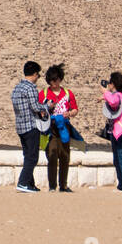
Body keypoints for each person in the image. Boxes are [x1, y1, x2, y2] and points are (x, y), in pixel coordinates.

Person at [38, 64, 78, 192]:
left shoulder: (67, 93)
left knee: (65, 156)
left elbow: (75, 109)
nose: (54, 83)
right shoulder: (44, 94)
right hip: (50, 128)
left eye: (57, 80)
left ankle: (63, 185)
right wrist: (46, 110)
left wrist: (69, 113)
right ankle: (52, 185)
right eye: (52, 80)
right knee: (52, 154)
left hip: (64, 127)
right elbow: (38, 111)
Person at [11, 61, 47, 193]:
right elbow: (35, 107)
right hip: (31, 126)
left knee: (28, 156)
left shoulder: (17, 88)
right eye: (38, 75)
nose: (38, 78)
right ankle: (23, 182)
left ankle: (30, 184)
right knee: (32, 157)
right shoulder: (30, 88)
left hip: (20, 127)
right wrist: (48, 106)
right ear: (35, 74)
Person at [101, 72, 122, 191]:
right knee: (121, 158)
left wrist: (105, 92)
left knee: (119, 158)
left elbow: (114, 101)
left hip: (119, 130)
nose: (108, 85)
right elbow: (114, 100)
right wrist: (105, 96)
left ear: (113, 84)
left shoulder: (116, 96)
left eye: (110, 83)